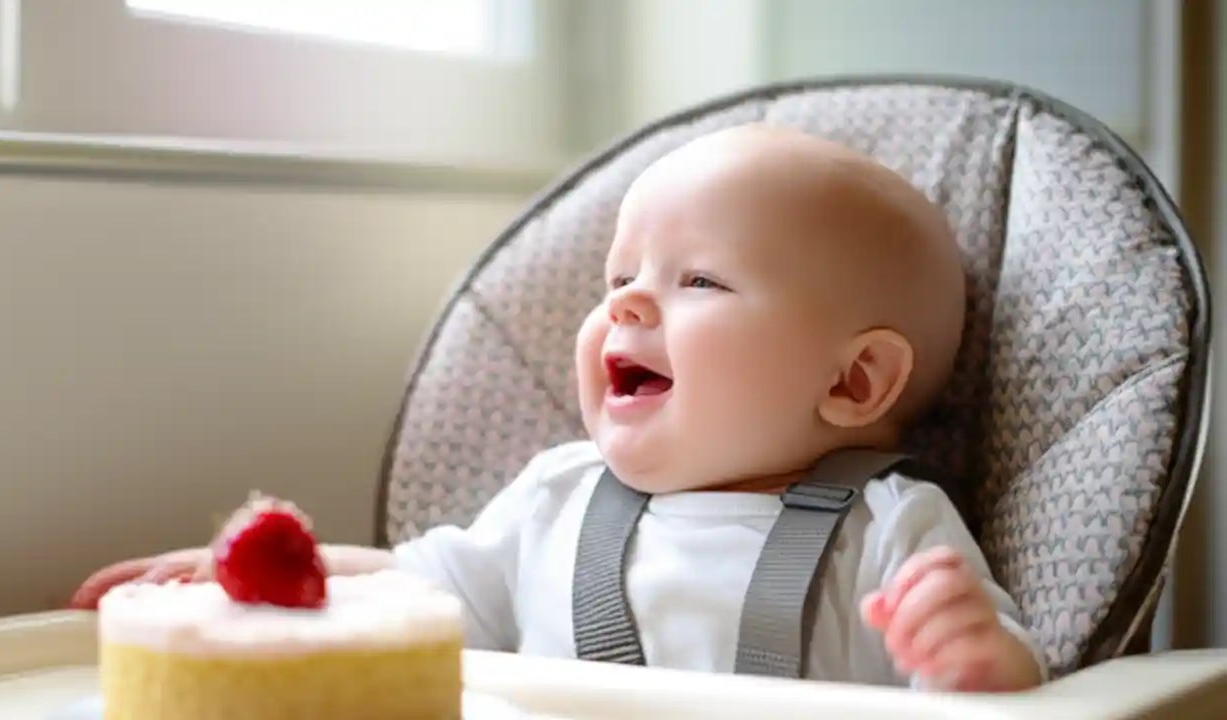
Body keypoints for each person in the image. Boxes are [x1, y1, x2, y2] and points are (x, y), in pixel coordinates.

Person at [71, 124, 1045, 692]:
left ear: (851, 383)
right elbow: (417, 593)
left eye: (697, 280)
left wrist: (975, 661)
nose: (622, 302)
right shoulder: (556, 498)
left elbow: (1003, 687)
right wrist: (267, 579)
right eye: (619, 275)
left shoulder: (890, 527)